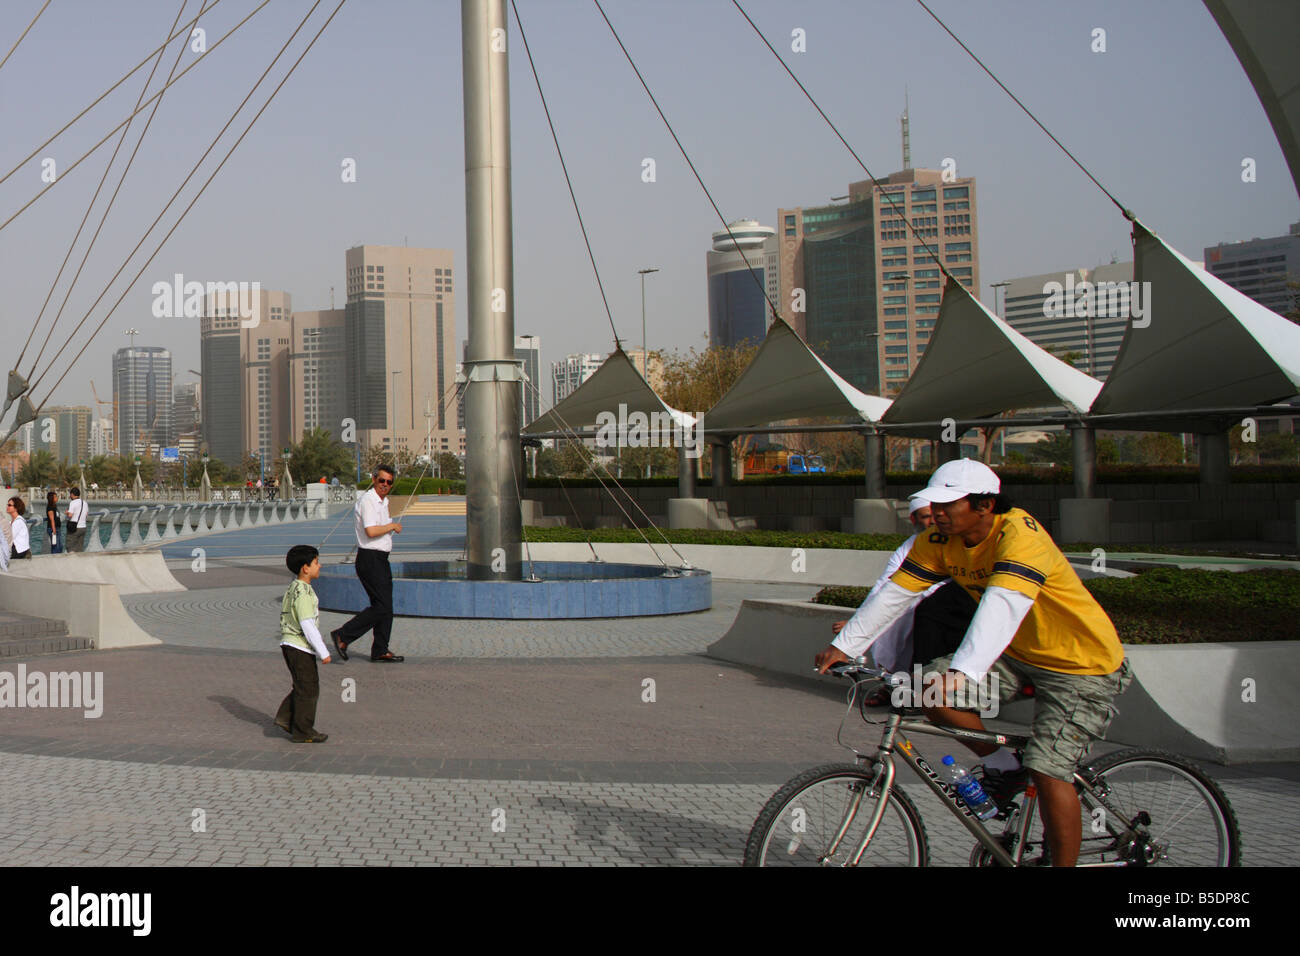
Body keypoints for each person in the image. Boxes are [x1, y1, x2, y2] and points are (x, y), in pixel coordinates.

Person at [815, 459, 1130, 867]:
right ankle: (1005, 767)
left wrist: (962, 674)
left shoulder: (1019, 535)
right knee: (923, 687)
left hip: (1081, 665)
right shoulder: (939, 540)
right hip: (1019, 656)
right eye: (936, 505)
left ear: (984, 506)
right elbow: (896, 594)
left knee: (1050, 769)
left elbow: (1001, 608)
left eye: (949, 505)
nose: (939, 514)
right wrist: (845, 645)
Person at [830, 496, 975, 706]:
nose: (933, 521)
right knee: (899, 617)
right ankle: (893, 687)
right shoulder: (910, 547)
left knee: (923, 613)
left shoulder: (962, 542)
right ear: (914, 519)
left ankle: (921, 692)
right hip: (913, 606)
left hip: (950, 612)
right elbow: (887, 587)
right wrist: (858, 623)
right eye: (926, 517)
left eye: (936, 515)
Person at [331, 464, 404, 663]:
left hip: (380, 559)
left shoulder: (383, 501)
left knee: (386, 607)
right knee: (381, 606)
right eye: (382, 481)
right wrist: (392, 526)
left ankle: (380, 649)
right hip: (370, 559)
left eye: (389, 482)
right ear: (374, 479)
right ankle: (343, 635)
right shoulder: (369, 501)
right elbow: (371, 531)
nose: (385, 485)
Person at [275, 544, 331, 743]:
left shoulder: (294, 587)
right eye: (316, 563)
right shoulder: (304, 592)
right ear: (305, 568)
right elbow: (307, 625)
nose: (320, 566)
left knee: (302, 686)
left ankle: (285, 718)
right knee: (309, 688)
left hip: (290, 644)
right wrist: (323, 651)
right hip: (298, 646)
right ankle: (303, 731)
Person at [65, 488, 88, 553]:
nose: (70, 496)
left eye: (70, 495)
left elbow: (70, 515)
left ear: (72, 494)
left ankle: (71, 561)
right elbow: (86, 515)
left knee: (70, 546)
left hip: (74, 528)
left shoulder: (73, 502)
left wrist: (66, 512)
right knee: (79, 548)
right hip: (83, 527)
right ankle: (79, 561)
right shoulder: (85, 503)